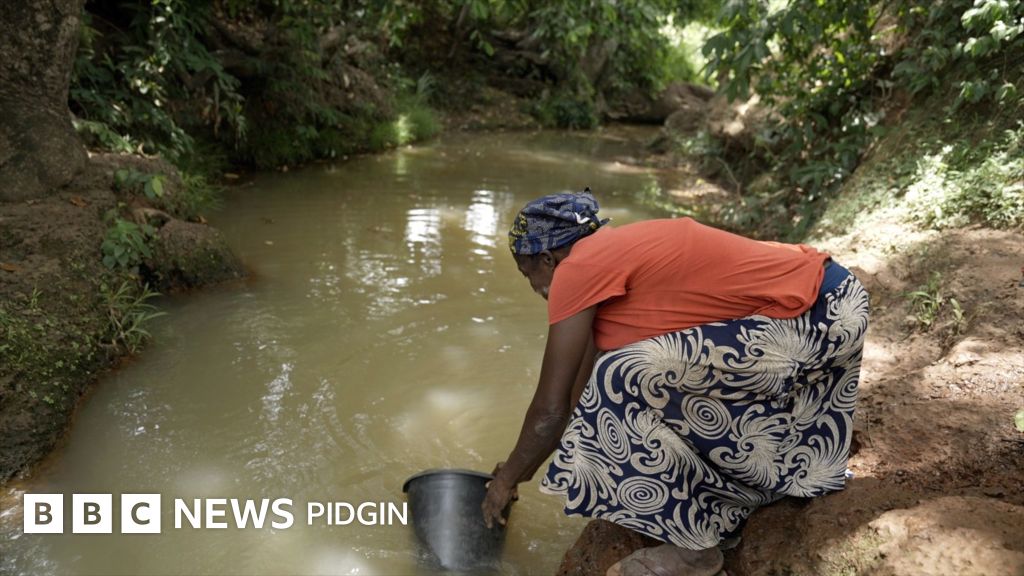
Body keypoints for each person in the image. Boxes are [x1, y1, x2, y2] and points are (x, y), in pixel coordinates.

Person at [481, 190, 870, 576]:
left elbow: (550, 409)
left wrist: (504, 483)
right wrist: (518, 467)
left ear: (548, 258)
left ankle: (693, 551)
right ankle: (740, 492)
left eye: (527, 273)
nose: (533, 286)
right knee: (616, 380)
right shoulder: (609, 258)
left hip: (819, 316)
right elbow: (574, 402)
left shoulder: (577, 270)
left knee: (621, 374)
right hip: (833, 301)